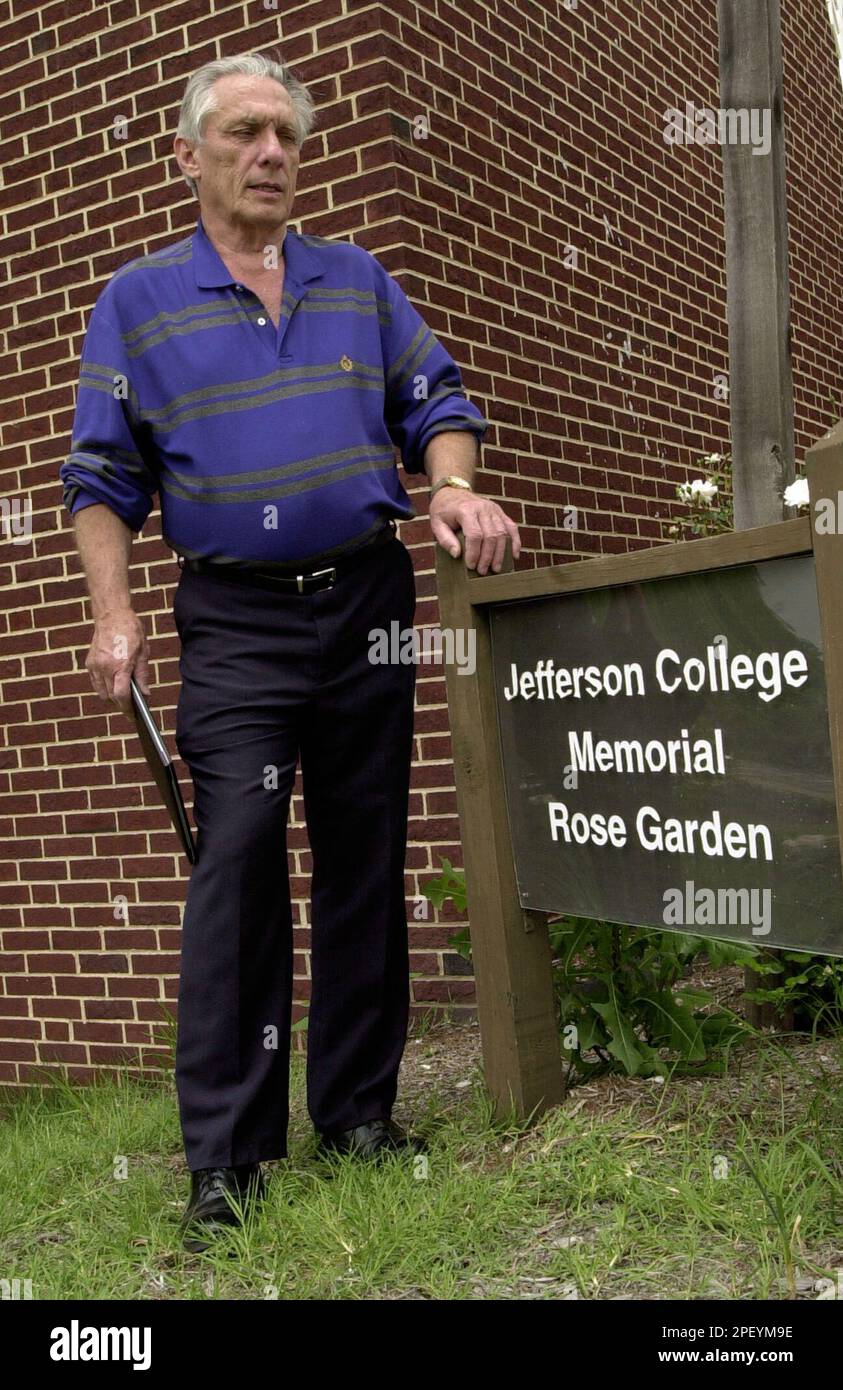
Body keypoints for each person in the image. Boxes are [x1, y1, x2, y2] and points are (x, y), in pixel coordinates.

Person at [60, 51, 521, 1253]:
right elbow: (101, 481)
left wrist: (454, 489)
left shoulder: (358, 279)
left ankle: (359, 1113)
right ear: (189, 156)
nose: (270, 152)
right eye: (242, 133)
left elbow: (436, 401)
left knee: (366, 853)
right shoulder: (137, 303)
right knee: (239, 866)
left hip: (366, 596)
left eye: (286, 134)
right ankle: (228, 1156)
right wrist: (116, 617)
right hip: (237, 620)